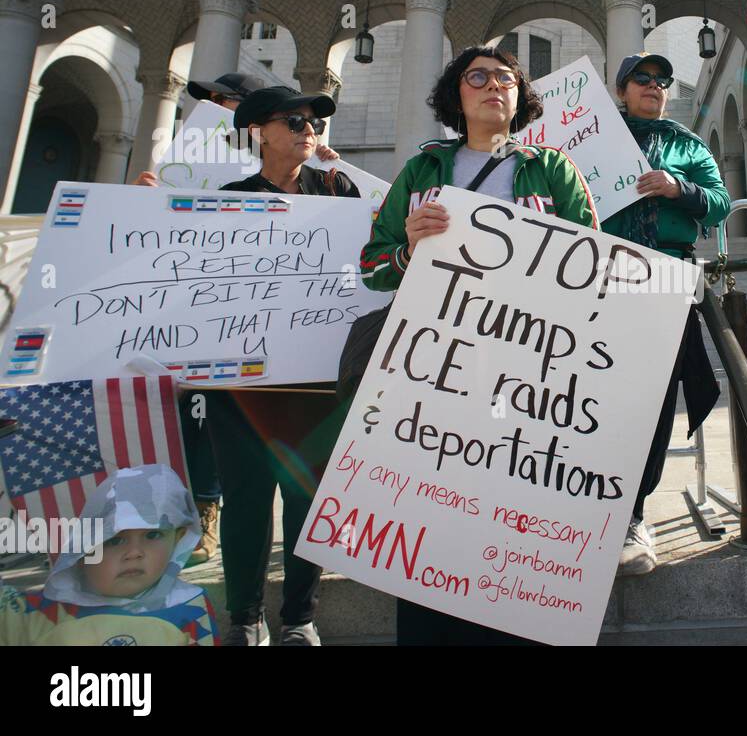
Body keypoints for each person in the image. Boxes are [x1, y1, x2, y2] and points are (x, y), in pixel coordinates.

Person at [360, 45, 596, 645]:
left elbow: (591, 264)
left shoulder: (554, 169)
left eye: (507, 79)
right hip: (434, 371)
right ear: (456, 95)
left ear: (520, 97)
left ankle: (517, 614)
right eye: (478, 77)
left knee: (515, 500)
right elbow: (371, 267)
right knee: (430, 502)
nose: (494, 86)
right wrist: (408, 251)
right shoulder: (422, 171)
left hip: (524, 369)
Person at [205, 86, 359, 646]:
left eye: (314, 121)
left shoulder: (338, 192)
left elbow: (368, 257)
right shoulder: (230, 198)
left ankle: (299, 617)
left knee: (308, 500)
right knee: (244, 501)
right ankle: (245, 616)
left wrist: (349, 183)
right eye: (293, 120)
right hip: (242, 384)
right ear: (258, 132)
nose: (308, 128)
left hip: (315, 382)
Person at [600, 52, 730, 573]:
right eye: (642, 79)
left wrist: (680, 188)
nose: (654, 87)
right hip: (597, 277)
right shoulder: (591, 136)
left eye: (662, 81)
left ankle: (633, 514)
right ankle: (586, 506)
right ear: (622, 89)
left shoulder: (686, 143)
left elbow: (719, 202)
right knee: (600, 397)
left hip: (666, 278)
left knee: (653, 403)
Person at [0, 465, 218, 646]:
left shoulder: (188, 606)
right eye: (114, 540)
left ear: (178, 539)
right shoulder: (36, 611)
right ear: (83, 551)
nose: (134, 552)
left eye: (153, 534)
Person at [134, 72, 339, 187]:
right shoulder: (194, 148)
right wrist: (142, 199)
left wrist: (324, 163)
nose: (209, 106)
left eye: (219, 99)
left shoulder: (315, 170)